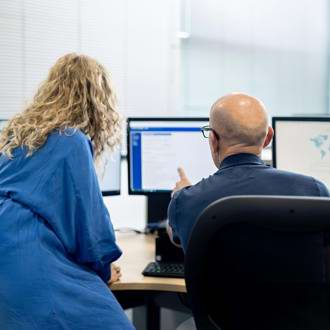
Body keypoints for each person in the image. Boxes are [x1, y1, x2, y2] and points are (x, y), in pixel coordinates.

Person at [0, 54, 134, 329]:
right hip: (30, 263)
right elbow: (90, 230)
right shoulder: (70, 140)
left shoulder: (15, 135)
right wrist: (105, 267)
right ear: (97, 102)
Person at [167, 92, 330, 251]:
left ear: (213, 140)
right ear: (268, 137)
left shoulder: (187, 201)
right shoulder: (315, 192)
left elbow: (178, 237)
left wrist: (180, 195)